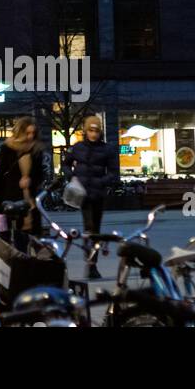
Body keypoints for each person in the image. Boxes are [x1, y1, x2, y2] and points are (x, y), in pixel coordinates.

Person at [63, 115, 119, 280]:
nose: (93, 134)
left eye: (96, 131)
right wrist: (71, 177)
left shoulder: (107, 149)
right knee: (90, 228)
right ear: (85, 131)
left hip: (97, 194)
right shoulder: (78, 147)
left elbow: (114, 173)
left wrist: (101, 182)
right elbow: (66, 164)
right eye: (91, 130)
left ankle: (92, 264)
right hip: (83, 195)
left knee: (95, 229)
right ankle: (91, 264)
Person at [0, 116, 48, 249]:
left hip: (30, 197)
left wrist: (31, 180)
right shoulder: (7, 148)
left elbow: (40, 174)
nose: (31, 136)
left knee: (32, 235)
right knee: (8, 234)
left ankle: (29, 262)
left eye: (33, 133)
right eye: (28, 133)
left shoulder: (36, 150)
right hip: (10, 196)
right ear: (20, 132)